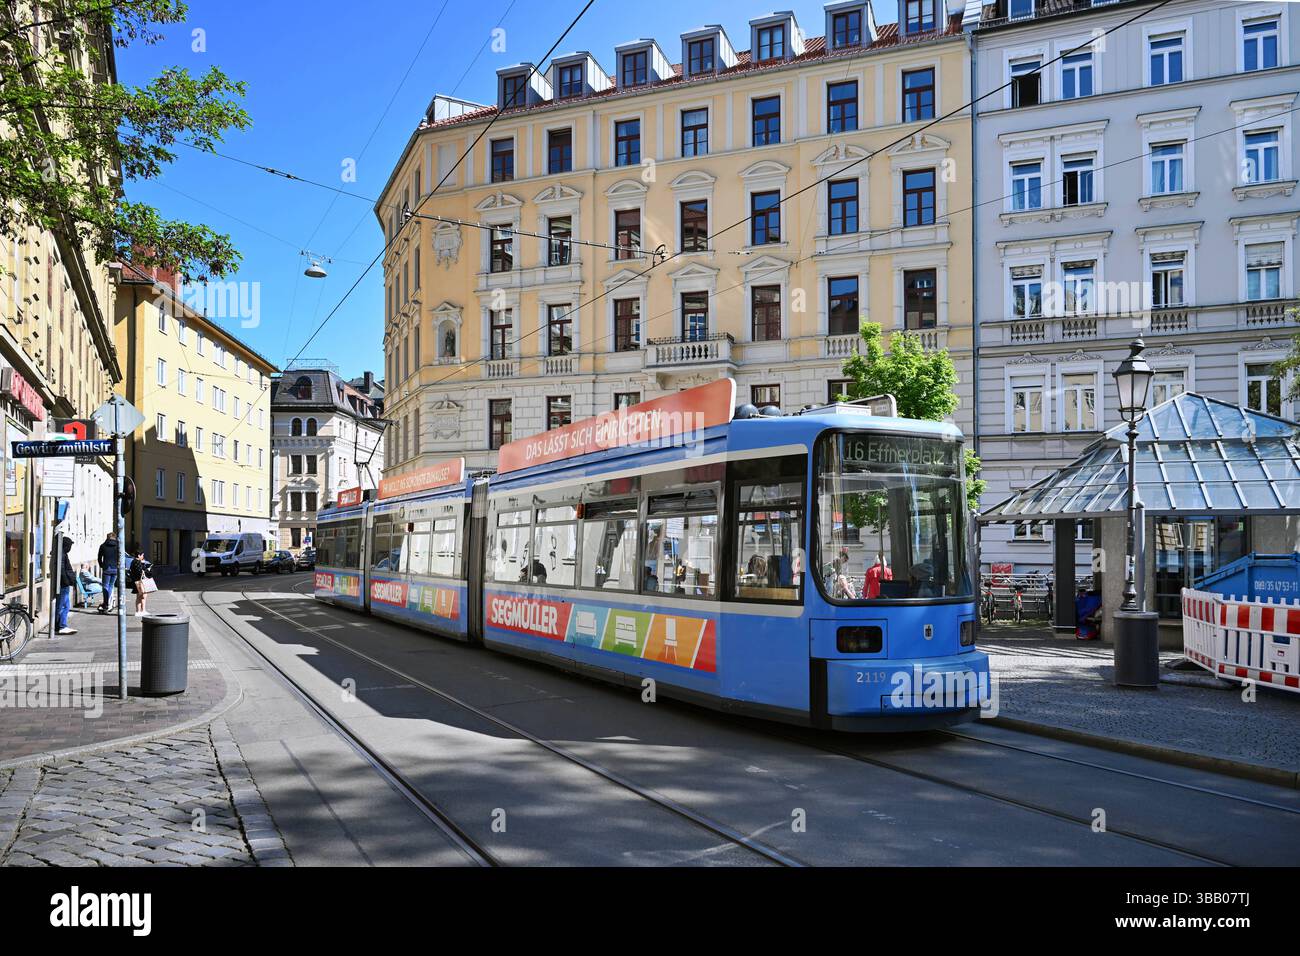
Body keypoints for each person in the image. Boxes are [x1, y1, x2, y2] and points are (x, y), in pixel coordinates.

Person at [55, 537, 76, 635]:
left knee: (65, 605)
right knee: (63, 606)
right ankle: (61, 626)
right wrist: (67, 581)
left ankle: (60, 625)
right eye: (70, 545)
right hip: (63, 584)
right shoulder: (62, 555)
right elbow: (62, 570)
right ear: (66, 545)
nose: (70, 547)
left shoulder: (62, 554)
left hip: (64, 583)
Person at [126, 546, 154, 616]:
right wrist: (147, 569)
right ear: (139, 555)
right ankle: (139, 611)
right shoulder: (137, 562)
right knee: (141, 596)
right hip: (139, 582)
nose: (143, 556)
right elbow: (140, 572)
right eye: (142, 555)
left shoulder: (134, 561)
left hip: (137, 581)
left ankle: (142, 610)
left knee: (141, 596)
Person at [97, 531, 119, 614]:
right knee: (111, 585)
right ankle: (108, 603)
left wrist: (102, 565)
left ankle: (106, 602)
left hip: (106, 568)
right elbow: (120, 556)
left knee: (105, 585)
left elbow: (99, 557)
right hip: (115, 568)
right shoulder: (118, 546)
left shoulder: (103, 546)